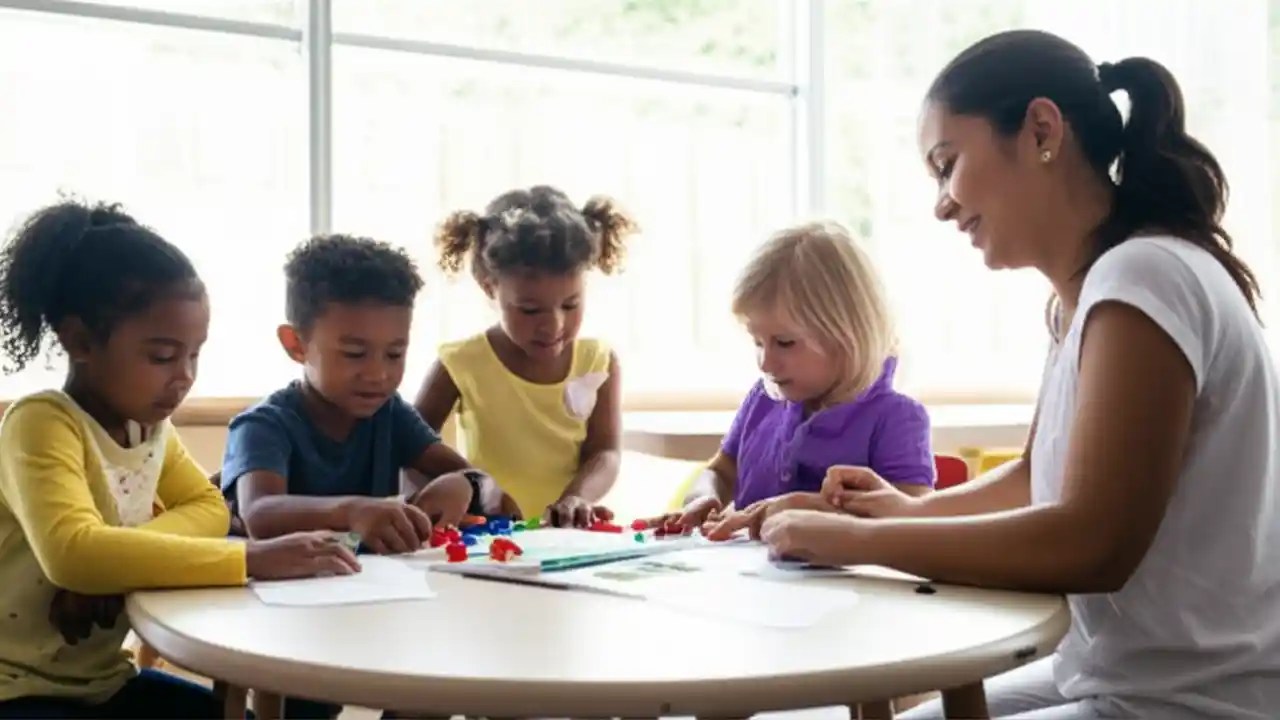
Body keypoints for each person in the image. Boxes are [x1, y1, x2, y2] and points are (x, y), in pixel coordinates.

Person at [767, 30, 1280, 719]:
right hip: (1117, 677)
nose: (942, 204)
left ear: (1041, 130)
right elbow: (1033, 476)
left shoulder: (1143, 275)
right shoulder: (1086, 297)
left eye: (947, 165)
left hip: (1195, 701)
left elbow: (1093, 543)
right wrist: (905, 512)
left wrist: (860, 541)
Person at [0, 200, 356, 719]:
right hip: (16, 690)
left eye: (195, 353)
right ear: (79, 340)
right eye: (163, 356)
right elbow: (72, 554)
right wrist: (251, 558)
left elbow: (210, 510)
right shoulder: (42, 424)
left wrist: (114, 565)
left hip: (100, 683)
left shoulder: (150, 428)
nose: (185, 375)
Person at [661, 222, 934, 537]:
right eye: (758, 342)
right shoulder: (763, 400)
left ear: (846, 336)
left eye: (785, 342)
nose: (765, 362)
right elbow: (721, 471)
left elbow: (912, 517)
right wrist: (704, 496)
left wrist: (798, 507)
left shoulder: (896, 418)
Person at [222, 235, 489, 555]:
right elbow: (259, 513)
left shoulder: (390, 414)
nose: (378, 375)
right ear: (296, 344)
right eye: (353, 353)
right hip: (283, 595)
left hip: (370, 588)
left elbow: (476, 479)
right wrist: (352, 513)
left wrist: (463, 483)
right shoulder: (264, 425)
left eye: (394, 354)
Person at [416, 185, 638, 527]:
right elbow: (411, 444)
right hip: (489, 540)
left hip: (567, 536)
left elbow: (605, 451)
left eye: (571, 305)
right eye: (530, 310)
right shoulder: (461, 363)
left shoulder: (599, 361)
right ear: (489, 287)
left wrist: (576, 498)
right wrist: (477, 488)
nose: (554, 326)